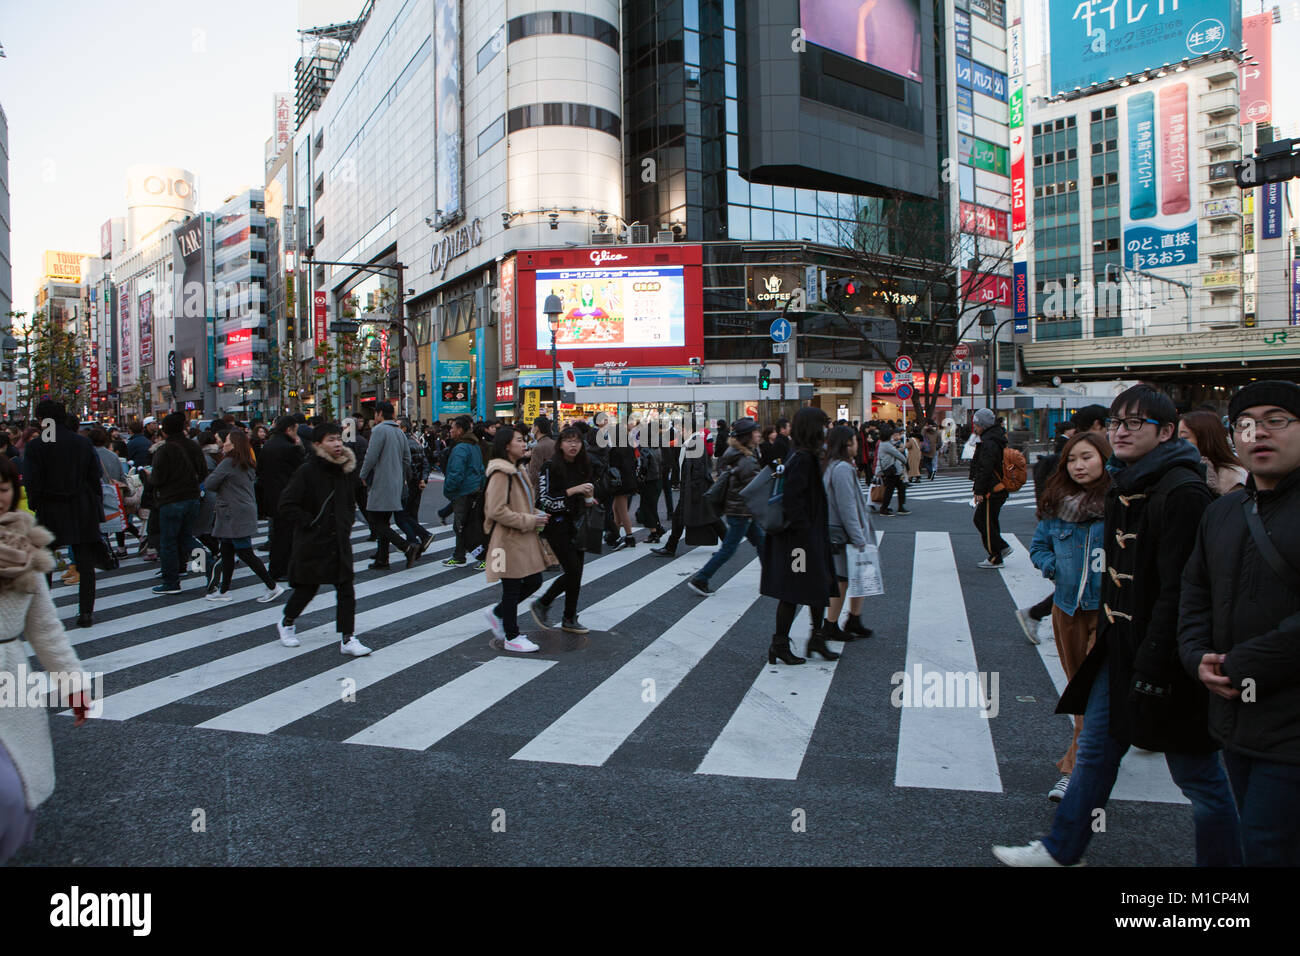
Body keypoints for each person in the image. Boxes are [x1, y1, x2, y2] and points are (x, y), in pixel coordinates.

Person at [994, 384, 1241, 867]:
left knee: (1200, 778)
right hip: (1120, 646)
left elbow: (1181, 590)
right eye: (1115, 422)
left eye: (1134, 423)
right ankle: (1062, 849)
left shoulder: (1181, 490)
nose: (1120, 431)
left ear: (1166, 431)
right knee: (1096, 752)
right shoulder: (1131, 480)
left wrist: (1156, 661)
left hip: (1164, 658)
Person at [1179, 380, 1300, 866]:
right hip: (1234, 716)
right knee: (1256, 838)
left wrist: (1245, 662)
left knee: (1270, 846)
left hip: (1289, 721)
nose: (1258, 433)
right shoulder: (1225, 510)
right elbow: (1194, 593)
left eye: (1276, 420)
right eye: (1245, 424)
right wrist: (1195, 657)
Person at [0, 456, 92, 863]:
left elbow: (45, 628)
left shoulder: (29, 549)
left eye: (2, 488)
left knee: (12, 794)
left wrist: (73, 684)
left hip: (9, 675)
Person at [1028, 432, 1112, 802]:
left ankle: (1075, 770)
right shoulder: (1057, 505)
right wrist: (1052, 569)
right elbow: (1038, 547)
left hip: (1108, 612)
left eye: (1087, 457)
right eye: (1072, 460)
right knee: (1079, 688)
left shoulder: (1121, 504)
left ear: (1105, 459)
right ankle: (1093, 756)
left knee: (1093, 691)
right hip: (1066, 611)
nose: (1079, 465)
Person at [276, 422, 370, 656]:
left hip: (339, 539)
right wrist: (311, 521)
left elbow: (352, 500)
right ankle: (287, 622)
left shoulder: (346, 470)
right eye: (330, 439)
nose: (337, 443)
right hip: (313, 540)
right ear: (318, 445)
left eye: (338, 438)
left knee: (346, 588)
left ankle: (348, 638)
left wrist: (346, 522)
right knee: (307, 588)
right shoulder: (307, 471)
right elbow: (286, 505)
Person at [760, 407, 839, 665]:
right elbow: (793, 501)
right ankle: (780, 643)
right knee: (794, 589)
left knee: (817, 584)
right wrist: (806, 534)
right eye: (823, 425)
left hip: (806, 538)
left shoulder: (801, 454)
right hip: (800, 541)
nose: (826, 430)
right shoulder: (803, 458)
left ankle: (815, 638)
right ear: (812, 428)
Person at [22, 400, 103, 627]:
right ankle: (86, 612)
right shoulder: (81, 442)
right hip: (81, 506)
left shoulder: (37, 446)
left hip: (50, 506)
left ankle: (44, 613)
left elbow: (31, 481)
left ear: (42, 419)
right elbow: (94, 477)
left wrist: (37, 503)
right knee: (85, 562)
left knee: (45, 561)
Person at [482, 427, 557, 653]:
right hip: (507, 539)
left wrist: (534, 514)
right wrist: (529, 519)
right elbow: (496, 510)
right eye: (519, 440)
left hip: (521, 536)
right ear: (506, 446)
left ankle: (497, 614)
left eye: (524, 439)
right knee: (512, 587)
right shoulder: (501, 473)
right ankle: (511, 636)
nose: (524, 443)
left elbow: (519, 504)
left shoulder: (518, 469)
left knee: (534, 581)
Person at [204, 429, 284, 604]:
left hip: (233, 512)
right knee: (227, 551)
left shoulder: (228, 463)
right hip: (239, 510)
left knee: (245, 551)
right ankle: (223, 590)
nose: (223, 443)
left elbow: (210, 484)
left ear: (233, 445)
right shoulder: (246, 462)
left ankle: (272, 586)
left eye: (226, 440)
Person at [686, 418, 764, 596]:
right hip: (741, 511)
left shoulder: (738, 454)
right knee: (729, 548)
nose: (758, 434)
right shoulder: (746, 460)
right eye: (755, 432)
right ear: (748, 436)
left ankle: (772, 578)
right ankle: (701, 579)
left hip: (741, 510)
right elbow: (756, 487)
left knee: (762, 543)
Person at [531, 425, 596, 634]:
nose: (573, 445)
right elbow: (546, 500)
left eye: (577, 441)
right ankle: (543, 603)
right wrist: (574, 490)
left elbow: (584, 495)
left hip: (577, 523)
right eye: (568, 441)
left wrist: (588, 499)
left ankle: (569, 617)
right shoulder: (550, 467)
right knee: (573, 570)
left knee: (577, 572)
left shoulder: (583, 465)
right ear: (560, 444)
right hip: (556, 525)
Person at [147, 412, 209, 596]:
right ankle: (209, 564)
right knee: (187, 537)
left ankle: (171, 581)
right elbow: (203, 472)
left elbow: (157, 478)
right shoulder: (193, 446)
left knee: (169, 542)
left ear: (165, 431)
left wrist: (148, 477)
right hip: (192, 497)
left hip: (170, 500)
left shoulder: (164, 450)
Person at [822, 424, 875, 642]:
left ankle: (854, 618)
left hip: (842, 531)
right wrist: (859, 538)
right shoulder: (842, 469)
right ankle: (831, 624)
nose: (858, 444)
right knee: (843, 579)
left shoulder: (835, 465)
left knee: (858, 576)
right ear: (847, 444)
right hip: (844, 534)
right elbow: (847, 507)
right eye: (855, 440)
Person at [359, 402, 419, 570]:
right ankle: (382, 559)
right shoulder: (399, 432)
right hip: (396, 481)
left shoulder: (378, 431)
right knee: (383, 520)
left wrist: (363, 475)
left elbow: (370, 457)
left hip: (381, 481)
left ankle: (405, 546)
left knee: (375, 520)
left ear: (379, 414)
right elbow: (407, 459)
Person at [650, 432, 724, 557]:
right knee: (680, 517)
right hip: (691, 489)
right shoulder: (690, 443)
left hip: (695, 490)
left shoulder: (695, 443)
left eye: (681, 427)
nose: (679, 430)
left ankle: (729, 546)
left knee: (710, 517)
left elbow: (698, 469)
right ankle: (670, 547)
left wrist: (693, 490)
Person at [257, 417, 305, 580]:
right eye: (295, 430)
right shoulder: (290, 448)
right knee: (287, 536)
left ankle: (276, 568)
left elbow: (260, 471)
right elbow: (302, 470)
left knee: (278, 535)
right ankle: (282, 569)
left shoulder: (269, 445)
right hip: (287, 497)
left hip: (271, 496)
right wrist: (299, 446)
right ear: (289, 429)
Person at [442, 415, 486, 567]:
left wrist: (448, 490)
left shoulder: (460, 448)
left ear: (460, 430)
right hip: (475, 490)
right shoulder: (474, 445)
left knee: (462, 526)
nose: (450, 431)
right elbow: (481, 469)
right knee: (468, 525)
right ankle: (459, 555)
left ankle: (482, 557)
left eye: (453, 428)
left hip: (463, 492)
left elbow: (456, 472)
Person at [970, 407, 1010, 568]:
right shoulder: (995, 438)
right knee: (988, 520)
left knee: (983, 520)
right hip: (996, 487)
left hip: (992, 488)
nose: (975, 427)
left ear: (983, 425)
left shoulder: (989, 442)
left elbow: (985, 468)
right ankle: (1001, 547)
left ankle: (996, 556)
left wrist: (979, 490)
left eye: (977, 424)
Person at [1179, 410, 1247, 496]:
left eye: (1184, 438)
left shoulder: (1233, 476)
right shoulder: (1183, 468)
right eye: (1177, 437)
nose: (1178, 443)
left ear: (1205, 438)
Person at [633, 437, 668, 543]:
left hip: (649, 481)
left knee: (647, 507)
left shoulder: (645, 450)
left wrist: (639, 477)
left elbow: (644, 466)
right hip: (657, 480)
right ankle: (657, 529)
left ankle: (654, 533)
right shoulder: (657, 448)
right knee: (652, 507)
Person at [874, 426, 910, 516]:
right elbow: (897, 454)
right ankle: (884, 509)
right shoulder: (886, 445)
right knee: (890, 490)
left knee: (899, 488)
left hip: (893, 470)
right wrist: (905, 461)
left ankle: (899, 507)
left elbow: (895, 445)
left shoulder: (886, 443)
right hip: (890, 470)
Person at [525, 414, 555, 496]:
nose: (531, 428)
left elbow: (535, 474)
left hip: (542, 490)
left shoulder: (538, 447)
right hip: (553, 486)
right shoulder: (554, 443)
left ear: (537, 428)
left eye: (533, 426)